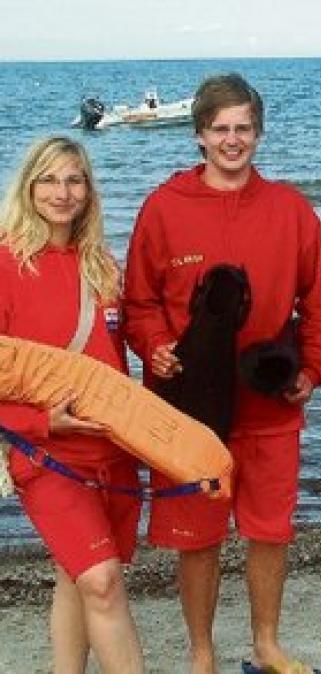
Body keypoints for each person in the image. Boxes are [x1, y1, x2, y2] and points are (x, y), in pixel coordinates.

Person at [123, 74, 321, 674]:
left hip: (269, 404)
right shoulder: (163, 208)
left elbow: (319, 305)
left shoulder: (290, 210)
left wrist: (315, 370)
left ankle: (267, 645)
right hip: (191, 409)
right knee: (198, 537)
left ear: (259, 133)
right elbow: (138, 303)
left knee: (269, 531)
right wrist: (155, 346)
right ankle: (201, 654)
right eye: (220, 128)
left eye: (243, 127)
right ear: (198, 135)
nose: (232, 139)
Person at [0, 136, 144, 672]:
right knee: (102, 581)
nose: (62, 193)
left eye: (74, 180)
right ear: (28, 187)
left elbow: (115, 361)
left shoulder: (101, 265)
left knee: (77, 572)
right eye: (50, 180)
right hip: (46, 453)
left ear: (88, 190)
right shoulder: (6, 262)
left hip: (109, 448)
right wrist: (37, 421)